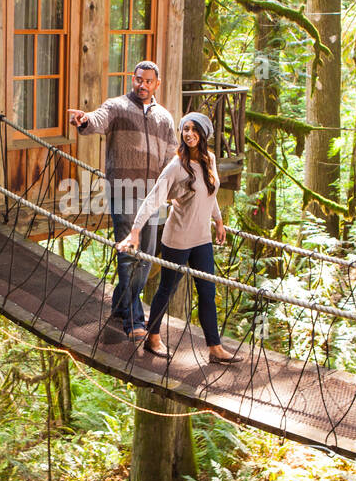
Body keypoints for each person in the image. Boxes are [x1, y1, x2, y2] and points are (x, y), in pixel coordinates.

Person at [116, 112, 240, 365]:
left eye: (194, 129)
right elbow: (153, 198)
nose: (189, 134)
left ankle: (214, 347)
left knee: (207, 292)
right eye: (186, 129)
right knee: (167, 289)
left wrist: (218, 220)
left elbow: (211, 194)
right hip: (178, 239)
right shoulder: (177, 166)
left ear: (204, 135)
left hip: (202, 239)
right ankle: (153, 336)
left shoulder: (210, 160)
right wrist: (135, 231)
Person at [68, 60, 177, 340]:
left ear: (157, 84)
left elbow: (172, 158)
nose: (143, 85)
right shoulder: (116, 106)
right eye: (139, 79)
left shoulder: (164, 118)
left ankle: (119, 304)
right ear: (133, 79)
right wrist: (84, 120)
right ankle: (133, 319)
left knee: (148, 258)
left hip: (154, 196)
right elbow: (97, 119)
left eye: (149, 81)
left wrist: (174, 192)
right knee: (129, 256)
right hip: (124, 191)